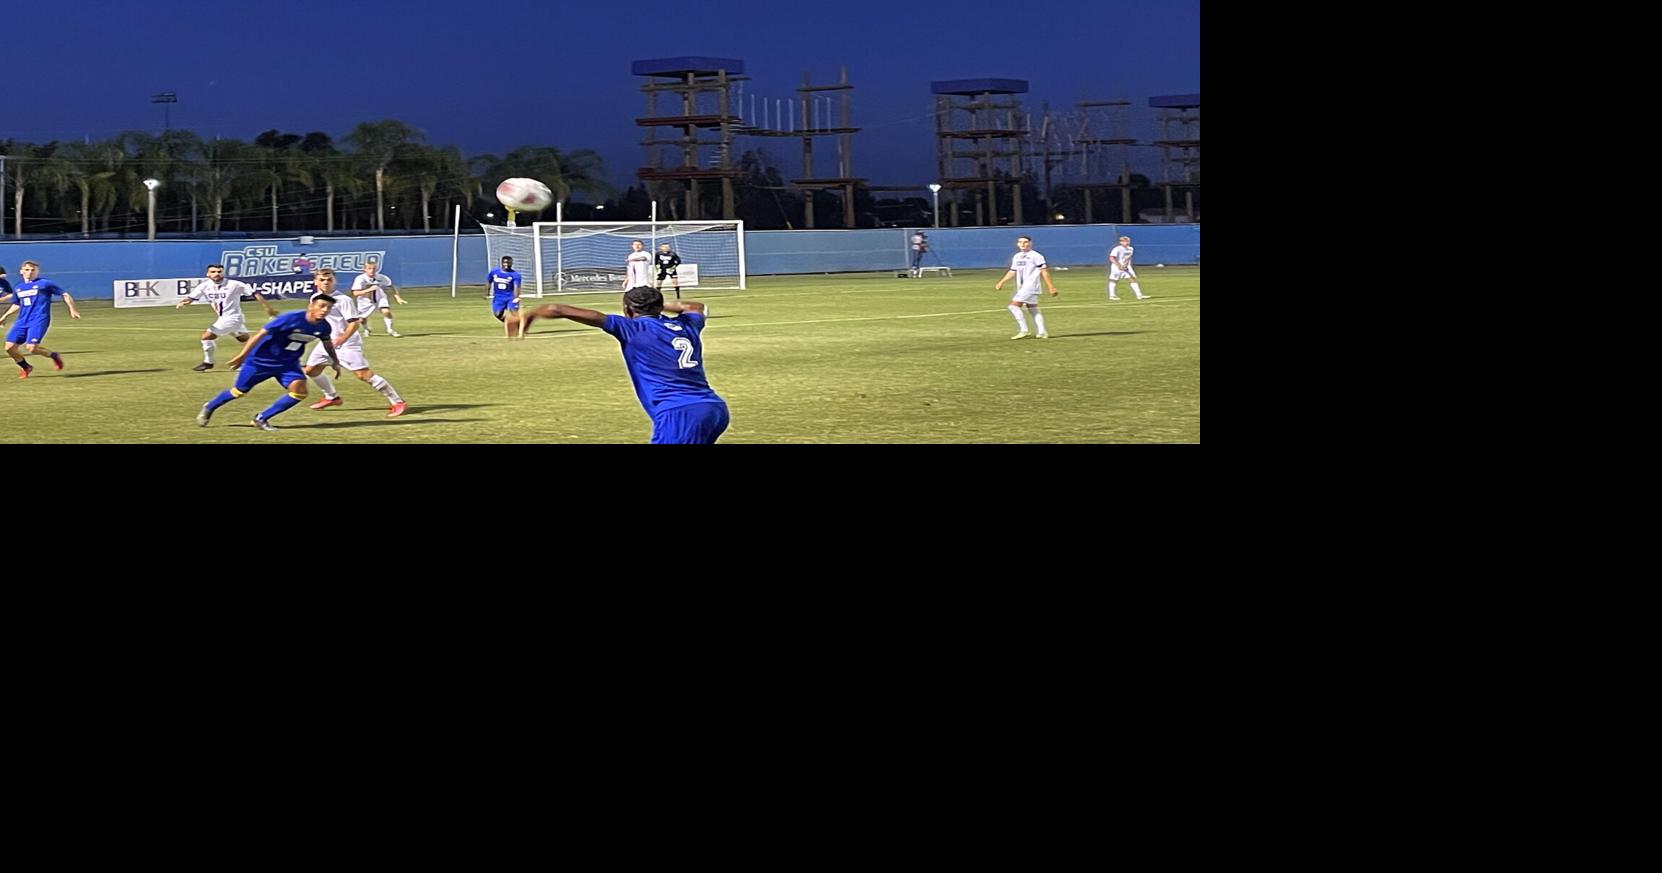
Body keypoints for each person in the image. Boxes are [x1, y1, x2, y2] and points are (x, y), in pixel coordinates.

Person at [516, 286, 729, 444]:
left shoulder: (631, 328)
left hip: (678, 412)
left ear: (627, 309)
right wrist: (654, 303)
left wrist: (531, 313)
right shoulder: (687, 324)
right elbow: (695, 306)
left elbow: (557, 308)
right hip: (714, 408)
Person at [195, 293, 340, 431]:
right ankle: (210, 406)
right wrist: (242, 356)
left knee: (300, 392)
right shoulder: (290, 318)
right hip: (260, 361)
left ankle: (261, 418)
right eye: (322, 306)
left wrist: (335, 361)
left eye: (328, 307)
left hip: (288, 364)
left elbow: (327, 343)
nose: (325, 310)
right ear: (311, 306)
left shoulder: (324, 327)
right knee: (238, 392)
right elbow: (259, 334)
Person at [302, 268, 407, 416]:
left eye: (329, 279)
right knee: (311, 370)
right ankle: (332, 397)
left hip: (347, 343)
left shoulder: (343, 300)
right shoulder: (315, 298)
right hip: (327, 342)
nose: (326, 282)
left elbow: (354, 324)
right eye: (322, 280)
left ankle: (398, 402)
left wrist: (339, 341)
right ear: (315, 282)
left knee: (363, 375)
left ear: (334, 281)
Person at [176, 263, 278, 371]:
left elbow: (255, 293)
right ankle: (268, 357)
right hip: (225, 318)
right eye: (213, 272)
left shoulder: (234, 284)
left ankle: (208, 362)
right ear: (208, 274)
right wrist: (184, 302)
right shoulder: (204, 286)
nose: (216, 274)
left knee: (206, 337)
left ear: (223, 273)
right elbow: (191, 298)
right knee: (246, 340)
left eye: (219, 272)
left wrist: (268, 308)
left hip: (232, 318)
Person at [0, 260, 82, 378]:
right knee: (9, 348)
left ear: (37, 271)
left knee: (32, 348)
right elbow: (17, 304)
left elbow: (65, 294)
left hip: (39, 320)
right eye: (27, 270)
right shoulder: (19, 288)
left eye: (33, 270)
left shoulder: (45, 284)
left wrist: (72, 309)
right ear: (21, 271)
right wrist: (5, 316)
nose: (30, 272)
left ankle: (53, 355)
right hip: (22, 321)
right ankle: (26, 367)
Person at [993, 236, 1059, 339]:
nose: (1023, 244)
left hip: (1031, 286)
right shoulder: (1017, 256)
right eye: (1020, 242)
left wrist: (1051, 287)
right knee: (1032, 308)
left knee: (1013, 306)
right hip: (1022, 286)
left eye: (1025, 242)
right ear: (1017, 244)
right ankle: (1042, 332)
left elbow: (1044, 272)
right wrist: (1001, 282)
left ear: (1030, 243)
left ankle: (1024, 330)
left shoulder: (1036, 256)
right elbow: (1013, 271)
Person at [350, 259, 407, 337]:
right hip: (365, 301)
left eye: (373, 268)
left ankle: (390, 330)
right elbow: (355, 293)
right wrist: (369, 289)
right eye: (369, 269)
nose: (372, 271)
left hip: (380, 298)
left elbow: (391, 286)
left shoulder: (381, 277)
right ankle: (367, 329)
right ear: (365, 269)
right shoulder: (360, 279)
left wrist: (398, 298)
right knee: (362, 319)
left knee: (386, 311)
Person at [488, 256, 523, 338]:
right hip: (498, 297)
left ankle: (519, 327)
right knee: (497, 314)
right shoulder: (494, 272)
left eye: (508, 263)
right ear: (502, 263)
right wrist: (487, 292)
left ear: (512, 263)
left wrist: (516, 297)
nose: (506, 264)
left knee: (513, 312)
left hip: (510, 297)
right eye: (505, 262)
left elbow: (516, 287)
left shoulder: (515, 275)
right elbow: (489, 281)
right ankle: (510, 323)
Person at [1107, 235, 1149, 301]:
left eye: (1127, 241)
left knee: (1133, 279)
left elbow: (1128, 258)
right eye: (1124, 241)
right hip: (1116, 267)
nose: (1126, 242)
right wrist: (1119, 266)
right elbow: (1112, 258)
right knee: (1114, 280)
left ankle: (1139, 295)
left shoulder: (1131, 249)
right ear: (1120, 242)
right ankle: (1112, 295)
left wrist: (1126, 265)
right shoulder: (1117, 249)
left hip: (1126, 267)